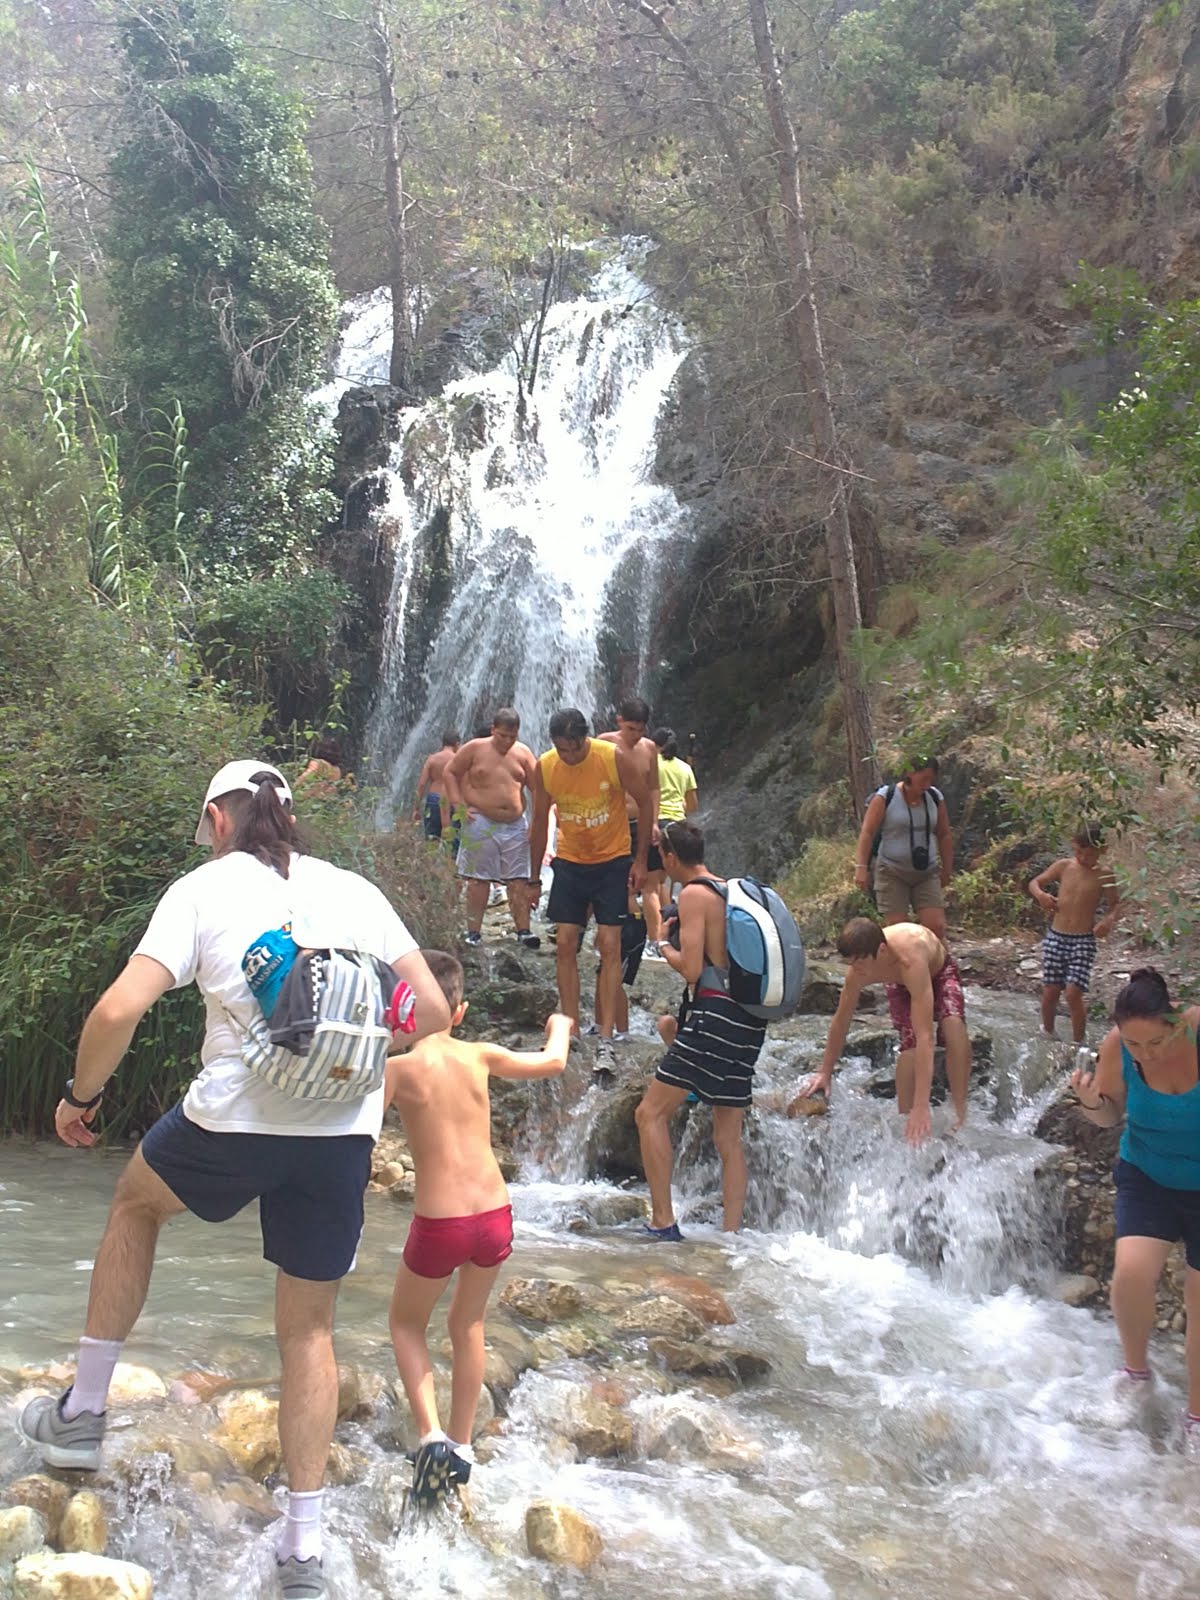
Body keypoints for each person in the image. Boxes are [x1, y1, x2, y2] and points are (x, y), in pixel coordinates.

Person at [19, 760, 450, 1600]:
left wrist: (81, 1098)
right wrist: (351, 1056)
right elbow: (430, 1010)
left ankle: (82, 1415)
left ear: (222, 819)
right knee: (309, 1330)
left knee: (137, 1204)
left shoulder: (204, 890)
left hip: (231, 1121)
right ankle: (302, 1551)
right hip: (339, 1135)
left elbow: (116, 1011)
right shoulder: (355, 890)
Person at [385, 950, 570, 1504]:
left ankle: (431, 1437)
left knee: (405, 1324)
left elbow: (357, 1137)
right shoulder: (481, 1055)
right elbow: (553, 1063)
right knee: (468, 1324)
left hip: (439, 1222)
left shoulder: (398, 1069)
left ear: (405, 1011)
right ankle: (463, 1447)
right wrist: (559, 1025)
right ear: (459, 1011)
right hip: (494, 1217)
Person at [1070, 969, 1200, 1448]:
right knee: (1130, 1276)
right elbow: (1108, 1116)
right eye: (1134, 1045)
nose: (1143, 1054)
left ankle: (1197, 1417)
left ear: (1176, 1020)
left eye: (1155, 1044)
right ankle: (1136, 1375)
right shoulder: (1117, 1047)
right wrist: (1089, 1103)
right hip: (1147, 1175)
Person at [634, 821, 766, 1237]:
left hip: (715, 1017)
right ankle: (732, 1237)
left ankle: (663, 1222)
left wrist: (662, 943)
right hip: (749, 1018)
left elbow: (692, 969)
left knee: (649, 1114)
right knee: (728, 1138)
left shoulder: (693, 894)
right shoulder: (729, 889)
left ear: (671, 858)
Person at [527, 707, 652, 1080]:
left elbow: (645, 802)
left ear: (585, 739)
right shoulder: (545, 766)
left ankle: (607, 1036)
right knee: (565, 943)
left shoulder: (611, 758)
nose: (567, 757)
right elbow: (537, 822)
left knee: (610, 945)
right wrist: (532, 877)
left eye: (572, 750)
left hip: (612, 861)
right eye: (561, 750)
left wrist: (641, 860)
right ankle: (572, 1027)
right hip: (569, 861)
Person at [789, 916, 971, 1146]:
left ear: (882, 950)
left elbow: (927, 1036)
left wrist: (922, 1105)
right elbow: (841, 1020)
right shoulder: (858, 971)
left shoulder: (909, 959)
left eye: (860, 963)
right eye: (851, 963)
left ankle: (959, 1112)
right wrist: (825, 1071)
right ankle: (906, 1127)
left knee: (953, 1025)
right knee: (909, 1048)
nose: (856, 970)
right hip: (899, 982)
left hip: (937, 971)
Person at [442, 709, 540, 950]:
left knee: (518, 879)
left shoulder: (523, 752)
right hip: (481, 820)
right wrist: (459, 807)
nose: (507, 742)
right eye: (503, 736)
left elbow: (537, 788)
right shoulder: (475, 748)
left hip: (516, 824)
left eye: (512, 737)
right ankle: (473, 932)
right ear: (494, 729)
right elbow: (450, 772)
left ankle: (524, 931)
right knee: (478, 879)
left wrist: (537, 821)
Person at [1029, 825, 1120, 1043]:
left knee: (1073, 993)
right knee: (1051, 990)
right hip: (1056, 936)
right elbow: (1035, 882)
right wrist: (1041, 895)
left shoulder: (1104, 875)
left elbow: (1115, 904)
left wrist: (1108, 920)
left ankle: (1077, 1043)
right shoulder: (1064, 866)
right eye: (1079, 852)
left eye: (1090, 854)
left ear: (1102, 850)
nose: (1083, 858)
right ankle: (1048, 1034)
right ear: (1073, 846)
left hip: (1082, 940)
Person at [853, 759, 953, 941]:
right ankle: (903, 968)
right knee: (900, 932)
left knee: (936, 927)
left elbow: (944, 834)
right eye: (923, 779)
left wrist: (947, 869)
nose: (927, 784)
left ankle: (940, 968)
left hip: (926, 872)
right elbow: (867, 832)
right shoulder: (886, 797)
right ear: (909, 773)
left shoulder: (934, 797)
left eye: (931, 779)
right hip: (892, 871)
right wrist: (861, 867)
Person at [600, 697, 663, 955]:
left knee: (651, 884)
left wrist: (655, 822)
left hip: (641, 822)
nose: (635, 735)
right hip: (612, 825)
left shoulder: (649, 749)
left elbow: (654, 788)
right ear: (619, 722)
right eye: (630, 729)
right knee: (618, 883)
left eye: (640, 729)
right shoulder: (602, 743)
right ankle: (623, 939)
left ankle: (655, 941)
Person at [651, 726, 698, 941]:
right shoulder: (685, 769)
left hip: (657, 823)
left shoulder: (651, 765)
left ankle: (660, 934)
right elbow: (692, 805)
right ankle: (676, 925)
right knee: (670, 880)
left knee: (656, 883)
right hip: (679, 826)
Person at [414, 731, 461, 842]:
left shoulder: (432, 759)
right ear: (457, 744)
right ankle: (448, 858)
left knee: (432, 838)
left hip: (433, 799)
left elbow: (421, 785)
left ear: (443, 743)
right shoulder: (457, 760)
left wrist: (416, 808)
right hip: (451, 800)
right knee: (451, 839)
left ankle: (431, 858)